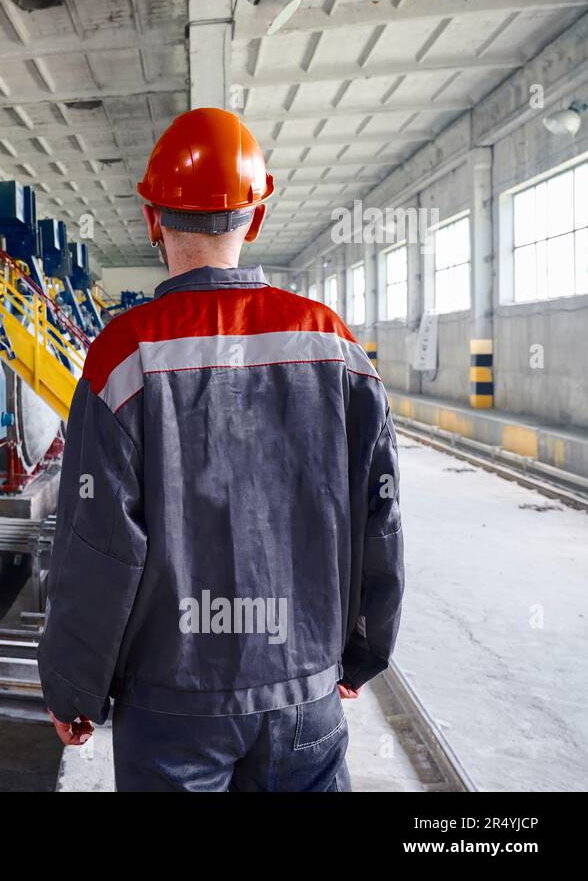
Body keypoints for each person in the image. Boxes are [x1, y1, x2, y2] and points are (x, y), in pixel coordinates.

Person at [37, 107, 405, 792]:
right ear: (256, 219)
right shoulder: (331, 343)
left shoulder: (123, 357)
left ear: (153, 220)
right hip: (304, 694)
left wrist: (73, 686)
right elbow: (377, 515)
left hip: (172, 707)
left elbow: (97, 545)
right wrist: (361, 651)